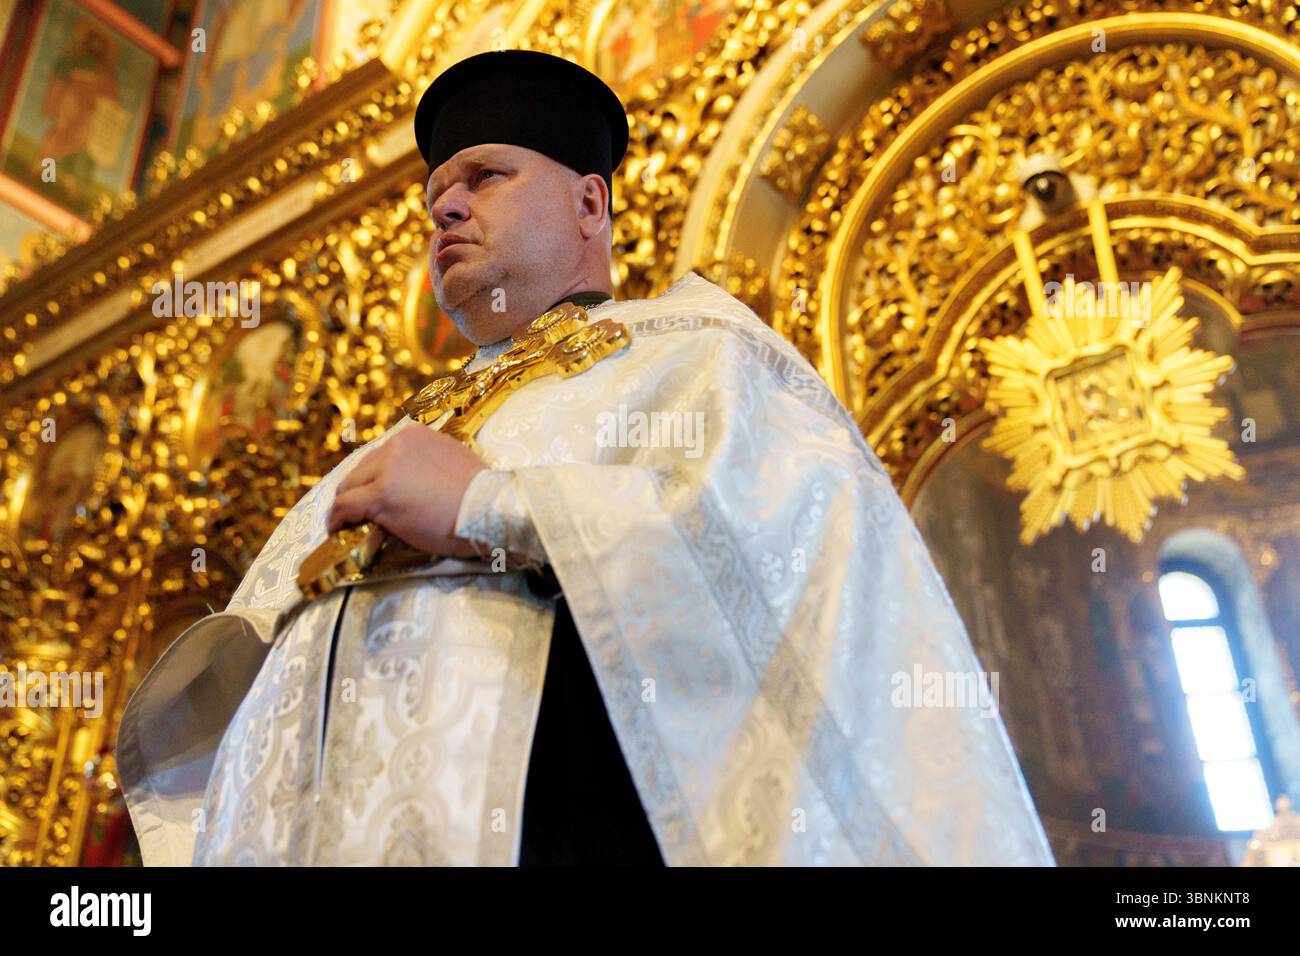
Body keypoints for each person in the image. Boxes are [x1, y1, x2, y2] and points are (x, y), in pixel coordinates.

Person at [117, 50, 1055, 867]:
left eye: (485, 176)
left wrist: (489, 506)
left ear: (588, 202)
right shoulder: (391, 434)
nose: (445, 204)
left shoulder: (700, 356)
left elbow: (772, 572)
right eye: (436, 191)